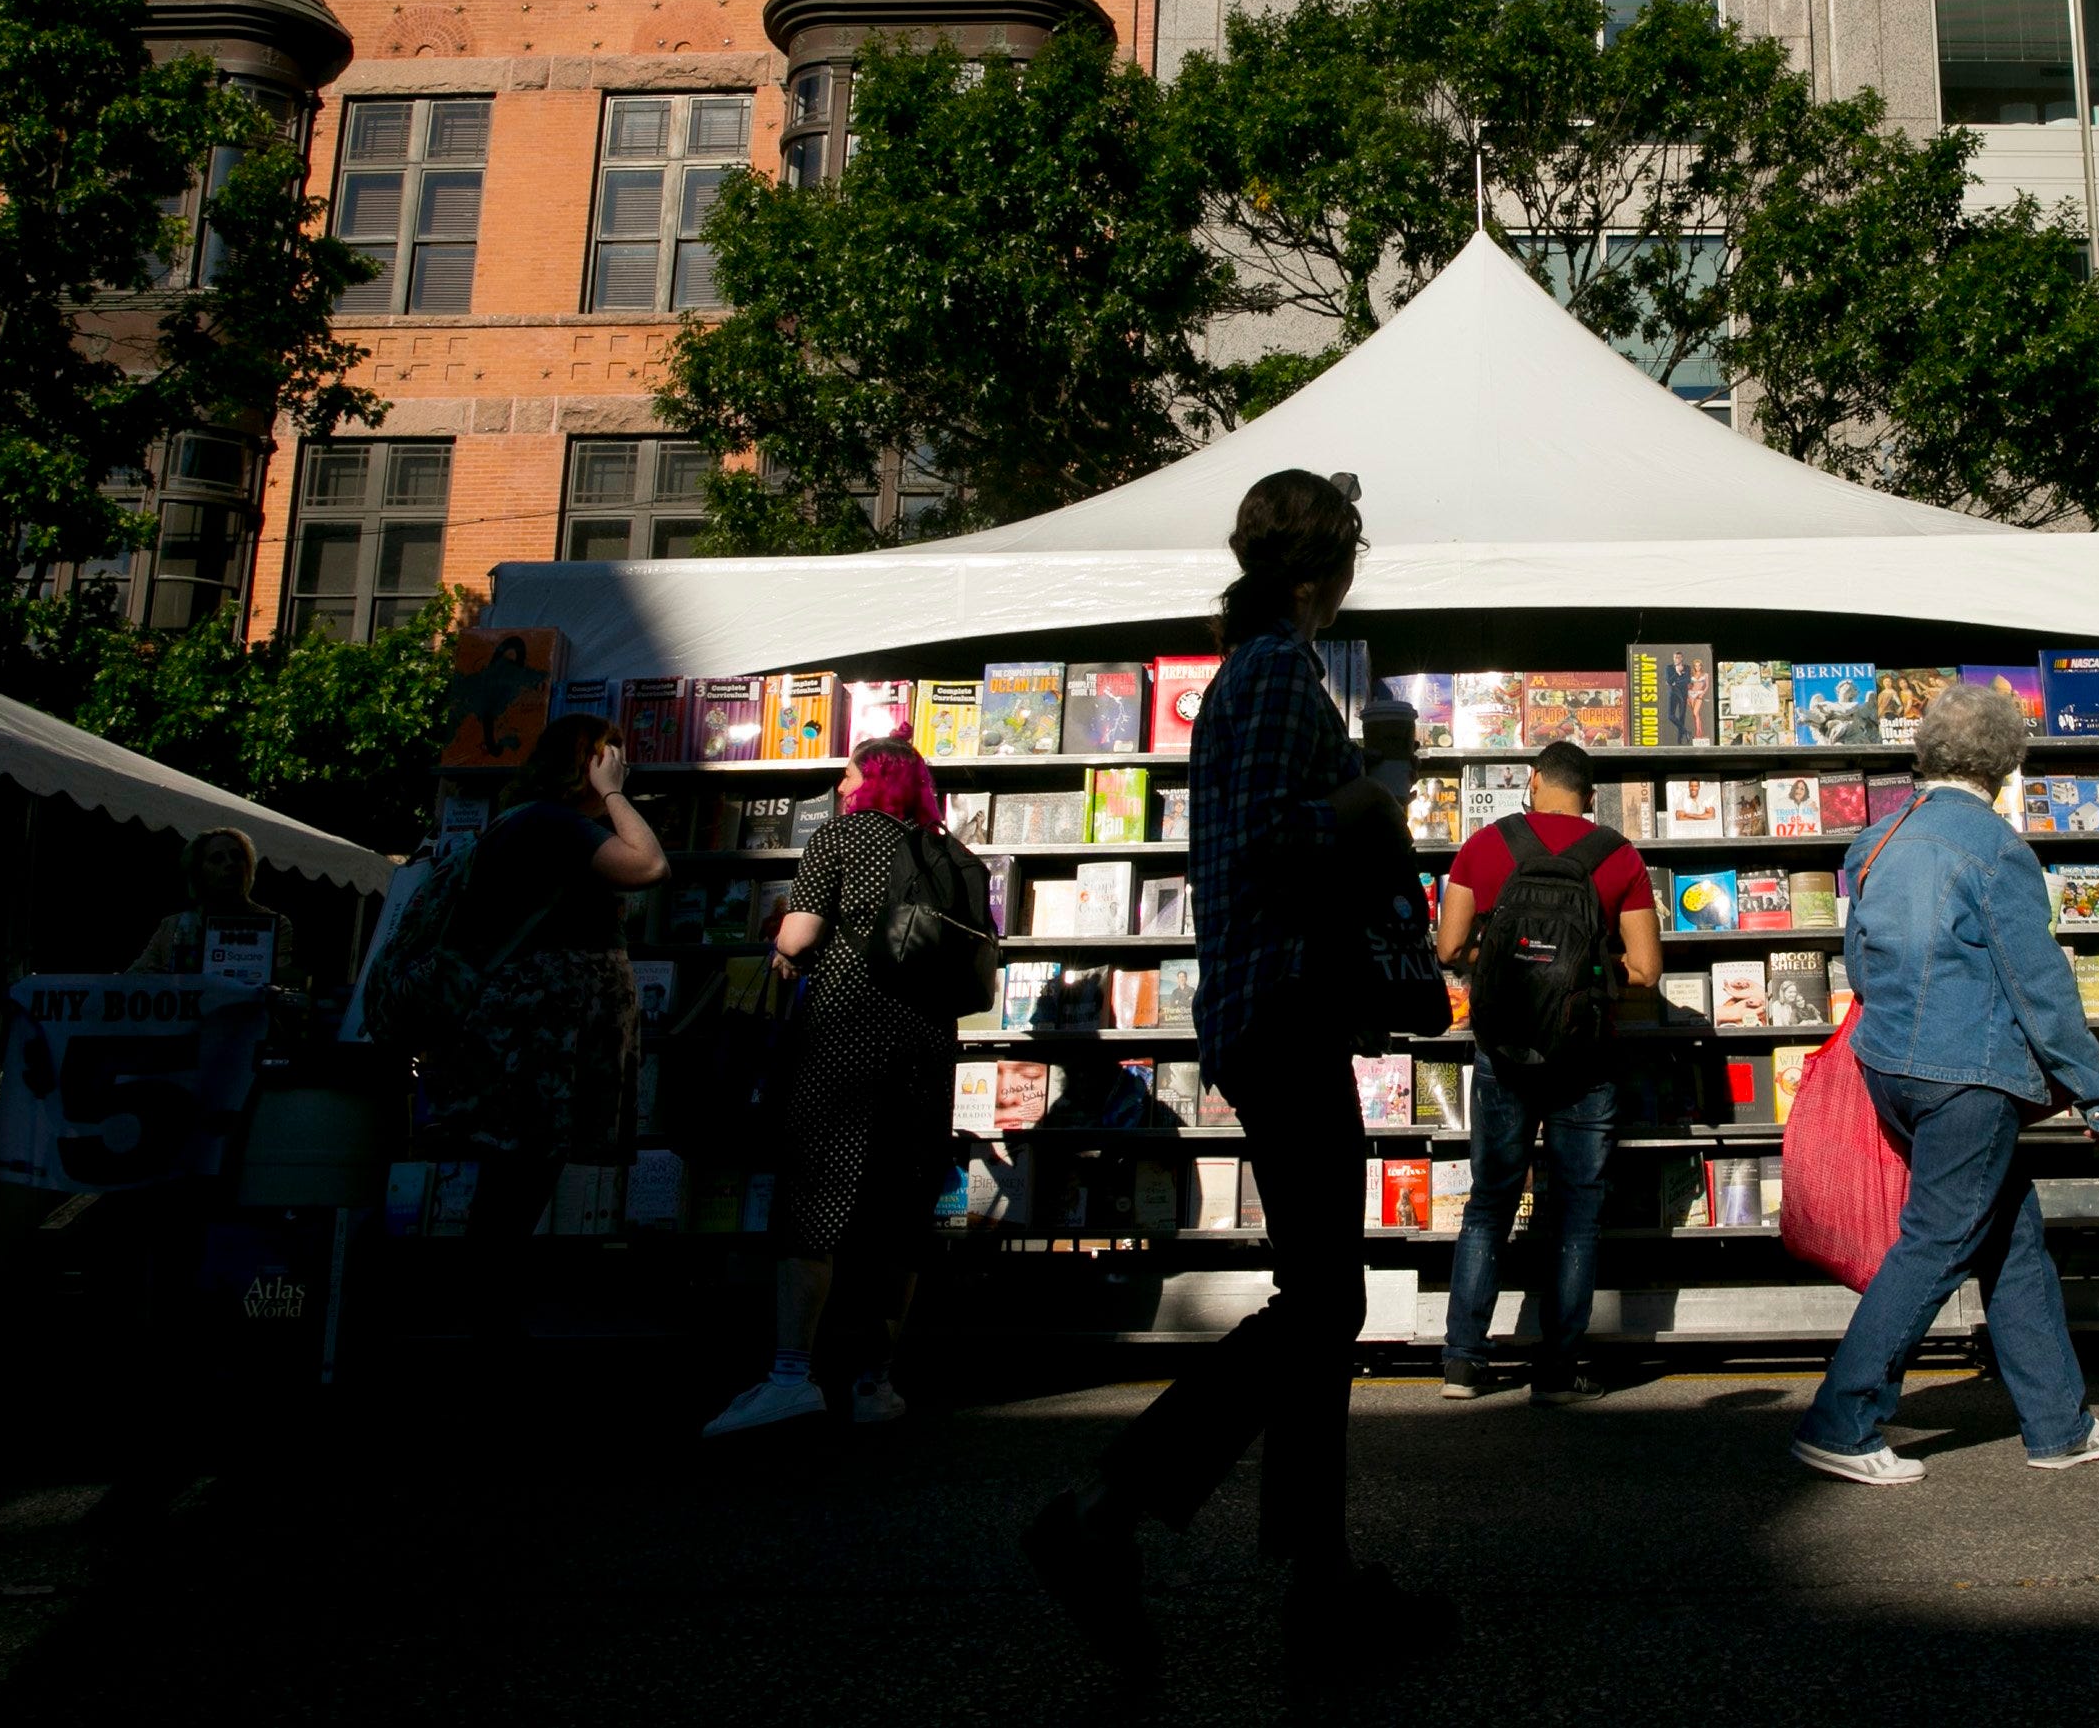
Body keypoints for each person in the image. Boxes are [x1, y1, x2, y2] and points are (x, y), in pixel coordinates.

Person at [1025, 469, 1452, 1657]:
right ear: (1323, 576)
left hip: (1274, 1010)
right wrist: (1381, 787)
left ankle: (1316, 1578)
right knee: (1326, 1298)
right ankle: (1113, 1512)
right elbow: (1275, 841)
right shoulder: (1272, 674)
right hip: (1284, 1009)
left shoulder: (1252, 673)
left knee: (1324, 1300)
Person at [1792, 680, 2099, 1487]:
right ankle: (1844, 1418)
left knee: (2011, 1241)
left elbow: (1863, 966)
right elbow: (2036, 980)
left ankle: (2058, 1422)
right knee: (1937, 1242)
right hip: (1968, 1075)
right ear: (2008, 763)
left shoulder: (1875, 842)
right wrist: (2095, 1086)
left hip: (1894, 1069)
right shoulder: (1997, 849)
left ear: (1928, 752)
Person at [706, 730, 966, 1437]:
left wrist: (788, 942)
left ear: (869, 782)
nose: (841, 787)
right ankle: (875, 1381)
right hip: (927, 1048)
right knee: (899, 1213)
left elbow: (798, 937)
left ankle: (791, 1376)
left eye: (847, 775)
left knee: (816, 1200)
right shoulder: (950, 853)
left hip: (846, 1038)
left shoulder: (841, 839)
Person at [418, 715, 667, 1348]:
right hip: (539, 1027)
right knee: (519, 1170)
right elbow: (647, 865)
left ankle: (484, 1315)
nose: (623, 763)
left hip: (535, 1022)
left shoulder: (531, 821)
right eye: (612, 755)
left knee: (517, 1173)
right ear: (587, 760)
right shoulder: (551, 822)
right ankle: (484, 1322)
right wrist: (613, 794)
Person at [1430, 738, 1663, 1403]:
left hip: (1503, 1050)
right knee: (1577, 1213)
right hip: (1585, 1058)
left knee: (1488, 1206)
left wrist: (1505, 955)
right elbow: (1646, 970)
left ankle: (1463, 1363)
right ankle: (1557, 1371)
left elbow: (1448, 947)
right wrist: (1586, 972)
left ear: (1533, 783)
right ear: (1590, 797)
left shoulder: (1484, 845)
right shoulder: (1617, 854)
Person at [130, 827, 297, 985]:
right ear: (198, 872)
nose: (230, 863)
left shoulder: (275, 925)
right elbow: (131, 979)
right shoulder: (172, 926)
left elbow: (280, 981)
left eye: (237, 856)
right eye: (217, 859)